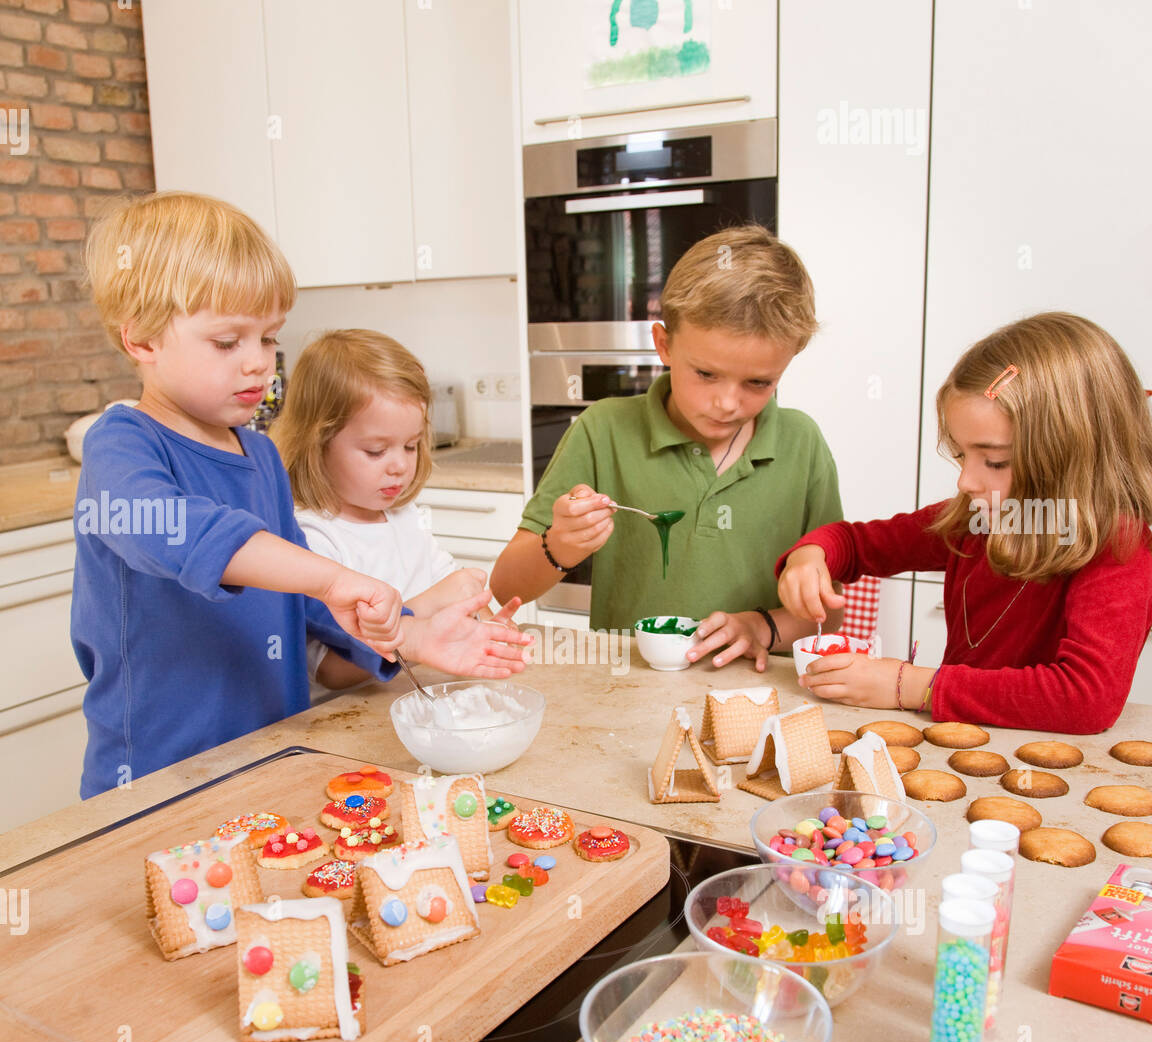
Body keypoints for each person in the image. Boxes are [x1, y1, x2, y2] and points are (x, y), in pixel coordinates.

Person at [74, 191, 529, 798]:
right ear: (143, 342)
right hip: (158, 774)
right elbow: (181, 534)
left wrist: (411, 635)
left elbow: (302, 606)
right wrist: (333, 579)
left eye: (268, 339)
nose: (259, 365)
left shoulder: (259, 454)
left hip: (273, 754)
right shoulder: (122, 445)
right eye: (227, 341)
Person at [778, 312, 1152, 733]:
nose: (965, 480)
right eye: (960, 454)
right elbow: (858, 544)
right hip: (961, 747)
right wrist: (810, 557)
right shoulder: (976, 520)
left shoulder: (1118, 546)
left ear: (1075, 457)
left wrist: (908, 685)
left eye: (995, 461)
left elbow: (1085, 698)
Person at [489, 225, 843, 666]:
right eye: (706, 374)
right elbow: (506, 588)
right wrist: (560, 543)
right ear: (664, 345)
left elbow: (825, 616)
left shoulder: (801, 445)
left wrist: (760, 627)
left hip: (754, 696)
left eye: (758, 382)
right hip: (625, 691)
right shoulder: (604, 431)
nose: (728, 403)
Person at [274, 329, 519, 692]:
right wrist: (427, 610)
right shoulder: (311, 537)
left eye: (410, 445)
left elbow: (458, 590)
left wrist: (487, 627)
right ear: (317, 444)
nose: (400, 466)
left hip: (410, 698)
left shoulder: (403, 517)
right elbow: (329, 670)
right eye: (376, 451)